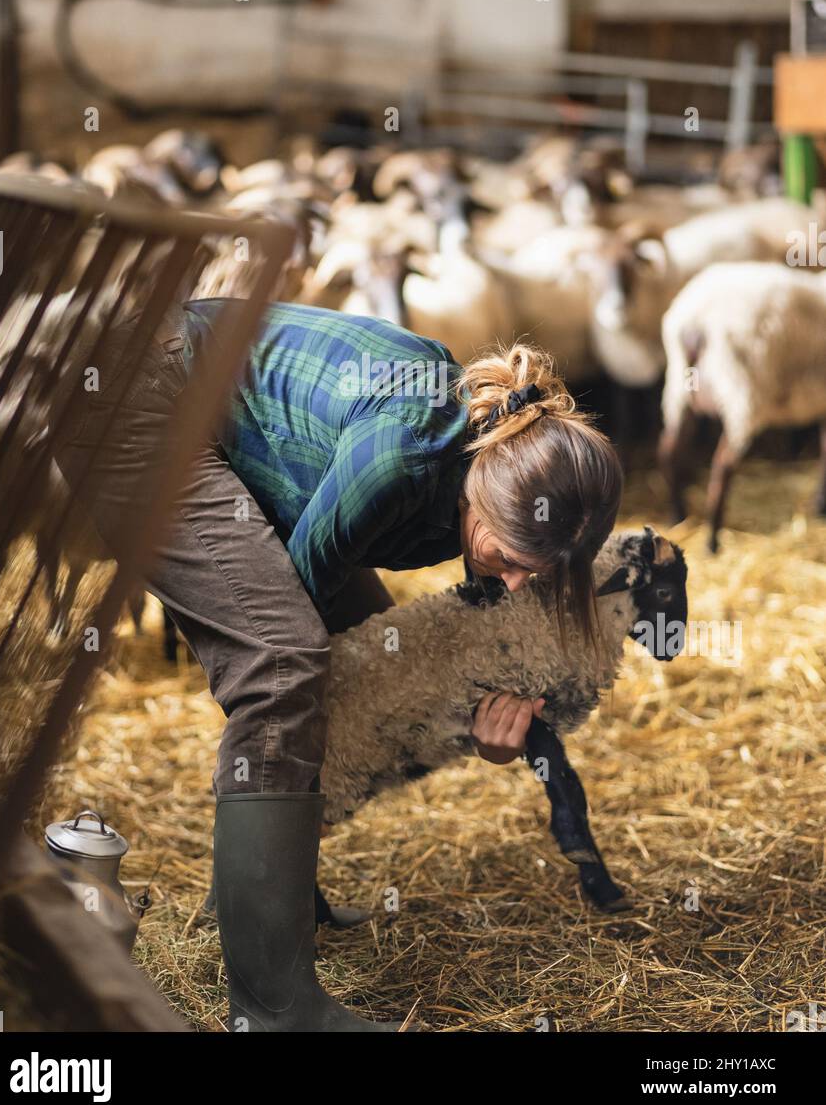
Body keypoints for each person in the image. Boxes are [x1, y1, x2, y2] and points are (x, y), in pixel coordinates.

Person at [53, 298, 622, 1032]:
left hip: (240, 429)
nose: (516, 583)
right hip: (133, 397)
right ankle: (274, 1008)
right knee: (284, 667)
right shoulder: (402, 460)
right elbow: (286, 619)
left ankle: (266, 892)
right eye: (508, 561)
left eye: (537, 573)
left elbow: (426, 646)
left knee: (373, 659)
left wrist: (486, 716)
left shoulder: (509, 466)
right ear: (480, 494)